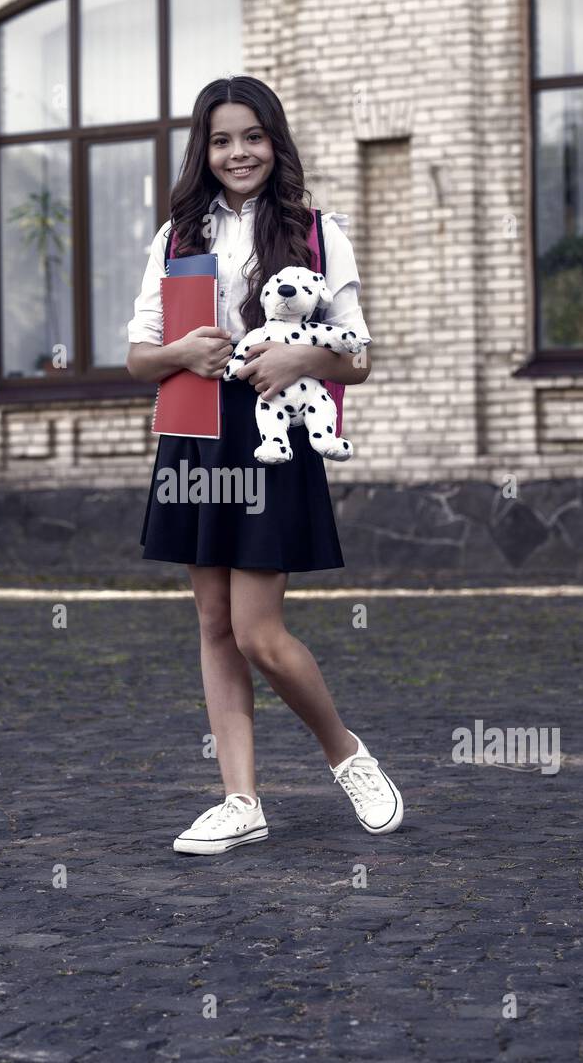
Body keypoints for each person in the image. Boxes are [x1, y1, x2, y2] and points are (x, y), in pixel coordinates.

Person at [126, 75, 403, 854]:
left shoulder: (317, 231)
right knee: (212, 623)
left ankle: (344, 753)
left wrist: (295, 356)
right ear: (202, 150)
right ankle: (240, 800)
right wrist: (179, 351)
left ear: (274, 142)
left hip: (272, 431)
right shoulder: (175, 235)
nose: (237, 152)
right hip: (193, 430)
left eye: (251, 136)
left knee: (258, 633)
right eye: (221, 140)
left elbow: (359, 358)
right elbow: (139, 356)